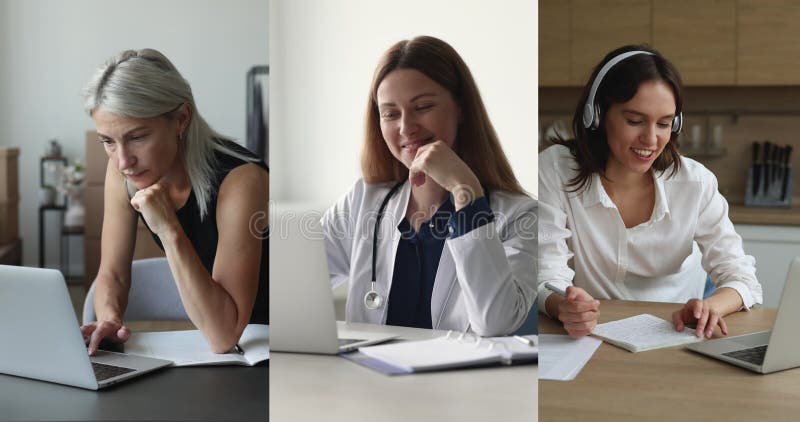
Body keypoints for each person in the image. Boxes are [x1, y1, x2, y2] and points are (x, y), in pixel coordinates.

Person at [538, 45, 763, 339]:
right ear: (597, 115)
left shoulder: (696, 183)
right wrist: (564, 307)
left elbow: (742, 276)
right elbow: (545, 273)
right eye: (635, 121)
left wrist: (710, 307)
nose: (651, 139)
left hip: (676, 335)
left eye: (664, 124)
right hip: (593, 337)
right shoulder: (555, 170)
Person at [322, 36, 537, 337]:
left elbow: (496, 323)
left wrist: (465, 189)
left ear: (461, 108)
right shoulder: (362, 200)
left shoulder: (521, 216)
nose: (406, 127)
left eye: (422, 107)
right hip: (367, 369)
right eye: (390, 113)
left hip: (465, 371)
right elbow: (293, 286)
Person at [80, 49, 269, 354]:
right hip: (219, 345)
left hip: (269, 343)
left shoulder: (241, 180)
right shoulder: (123, 171)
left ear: (181, 119)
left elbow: (224, 335)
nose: (123, 161)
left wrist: (168, 228)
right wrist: (110, 318)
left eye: (137, 137)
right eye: (108, 141)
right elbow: (112, 274)